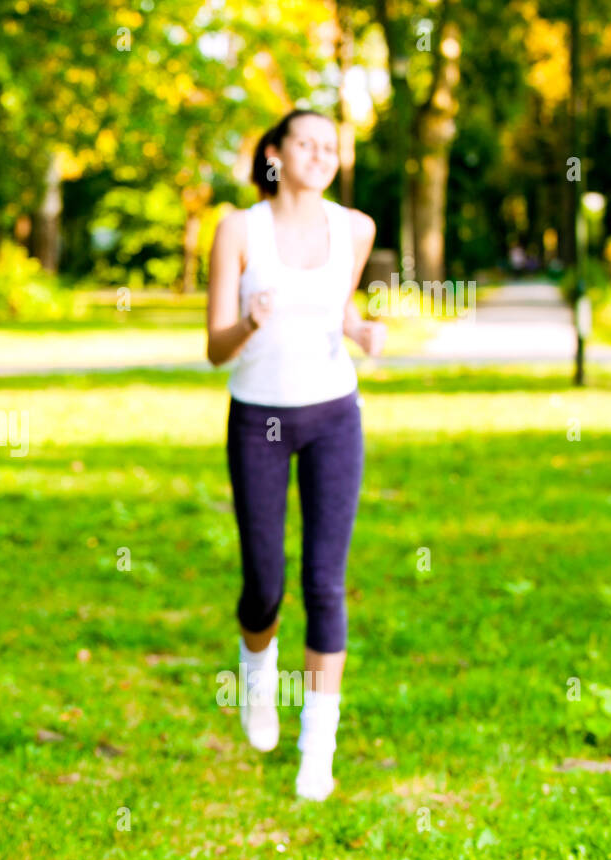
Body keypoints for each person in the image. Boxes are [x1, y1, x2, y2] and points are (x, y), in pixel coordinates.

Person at [205, 109, 385, 801]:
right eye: (306, 143)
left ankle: (318, 748)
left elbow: (339, 306)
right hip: (259, 419)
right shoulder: (238, 230)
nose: (320, 154)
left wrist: (361, 331)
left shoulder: (356, 228)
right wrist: (249, 322)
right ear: (276, 154)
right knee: (264, 585)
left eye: (330, 146)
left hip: (334, 414)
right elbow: (214, 347)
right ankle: (257, 674)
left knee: (325, 584)